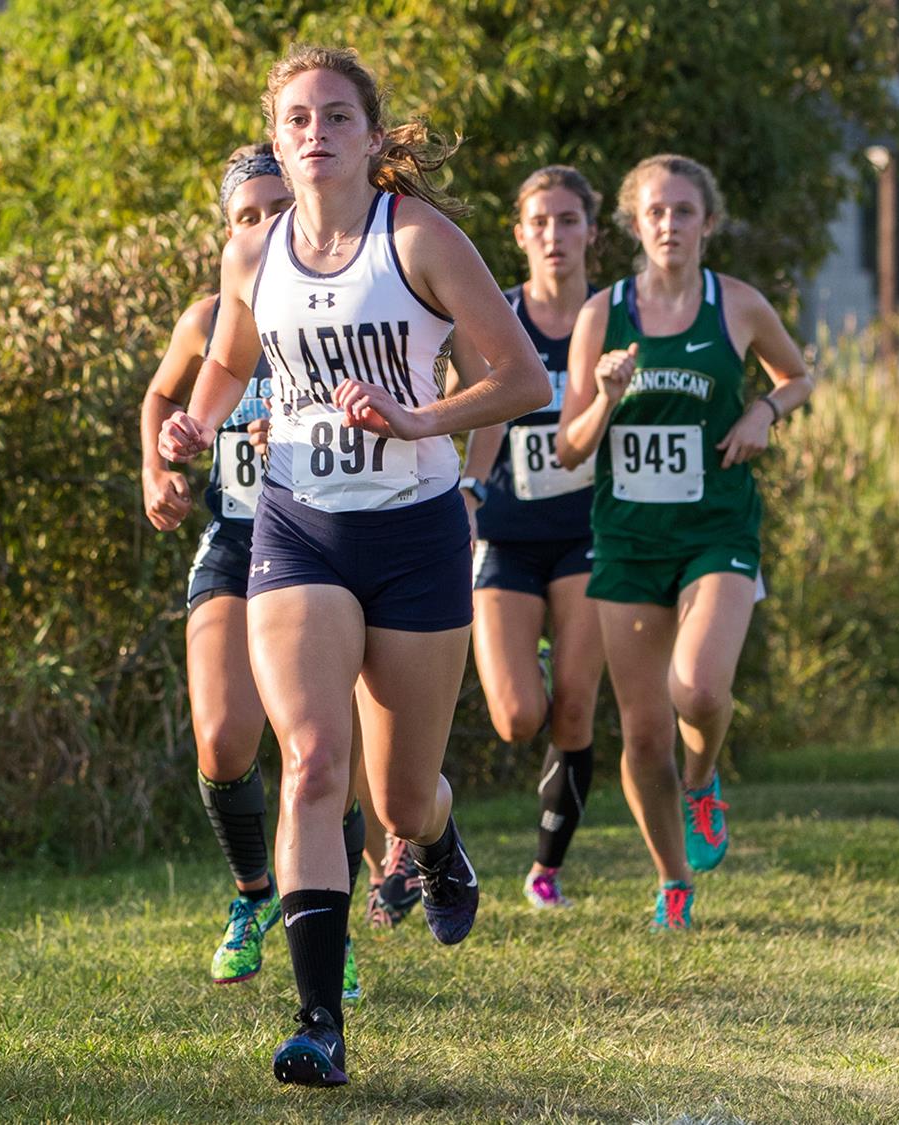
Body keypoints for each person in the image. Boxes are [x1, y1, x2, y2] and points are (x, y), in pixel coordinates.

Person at [159, 45, 549, 1087]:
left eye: (337, 116)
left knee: (397, 790)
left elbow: (516, 377)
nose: (316, 133)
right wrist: (194, 426)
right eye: (296, 118)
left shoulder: (416, 237)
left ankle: (438, 833)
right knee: (314, 767)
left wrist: (419, 415)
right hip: (298, 530)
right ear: (276, 140)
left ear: (372, 137)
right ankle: (317, 1024)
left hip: (416, 533)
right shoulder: (257, 253)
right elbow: (232, 358)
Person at [556, 155, 813, 931]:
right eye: (656, 211)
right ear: (635, 223)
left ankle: (704, 783)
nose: (670, 224)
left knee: (698, 689)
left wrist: (763, 413)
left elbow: (797, 376)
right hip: (629, 539)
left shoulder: (734, 304)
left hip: (716, 528)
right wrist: (603, 396)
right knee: (641, 732)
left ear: (708, 221)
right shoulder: (604, 315)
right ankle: (673, 879)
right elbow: (569, 449)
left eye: (684, 211)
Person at [139, 145, 366, 999]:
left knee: (317, 749)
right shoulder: (208, 319)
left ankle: (327, 928)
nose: (267, 225)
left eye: (280, 207)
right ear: (226, 233)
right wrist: (159, 470)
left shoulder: (337, 303)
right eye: (249, 215)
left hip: (319, 543)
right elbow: (164, 397)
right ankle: (251, 898)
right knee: (222, 737)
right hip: (234, 540)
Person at [454, 165, 608, 911]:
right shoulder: (497, 319)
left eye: (568, 220)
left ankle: (546, 869)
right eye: (539, 222)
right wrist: (470, 494)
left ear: (591, 232)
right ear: (519, 235)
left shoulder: (617, 320)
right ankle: (538, 654)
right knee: (518, 717)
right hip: (508, 534)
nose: (554, 235)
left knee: (574, 710)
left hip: (590, 533)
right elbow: (472, 409)